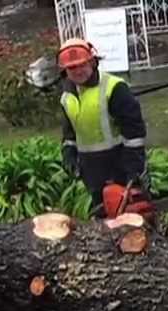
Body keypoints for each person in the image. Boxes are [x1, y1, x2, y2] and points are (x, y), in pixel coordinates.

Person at [55, 37, 149, 214]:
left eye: (82, 65)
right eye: (72, 67)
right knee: (104, 223)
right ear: (65, 70)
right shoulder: (67, 96)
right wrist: (69, 154)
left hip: (120, 164)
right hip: (92, 171)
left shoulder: (114, 88)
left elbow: (134, 132)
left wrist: (133, 168)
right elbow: (69, 135)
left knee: (135, 218)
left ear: (92, 62)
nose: (77, 71)